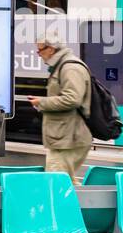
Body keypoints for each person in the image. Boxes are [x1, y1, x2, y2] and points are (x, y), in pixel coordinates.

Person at [28, 37, 92, 182]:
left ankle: (82, 204)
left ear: (50, 49)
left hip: (69, 138)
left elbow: (73, 99)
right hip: (64, 137)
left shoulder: (70, 68)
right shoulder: (62, 66)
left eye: (40, 50)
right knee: (66, 182)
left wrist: (42, 102)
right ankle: (82, 204)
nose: (38, 54)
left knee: (56, 184)